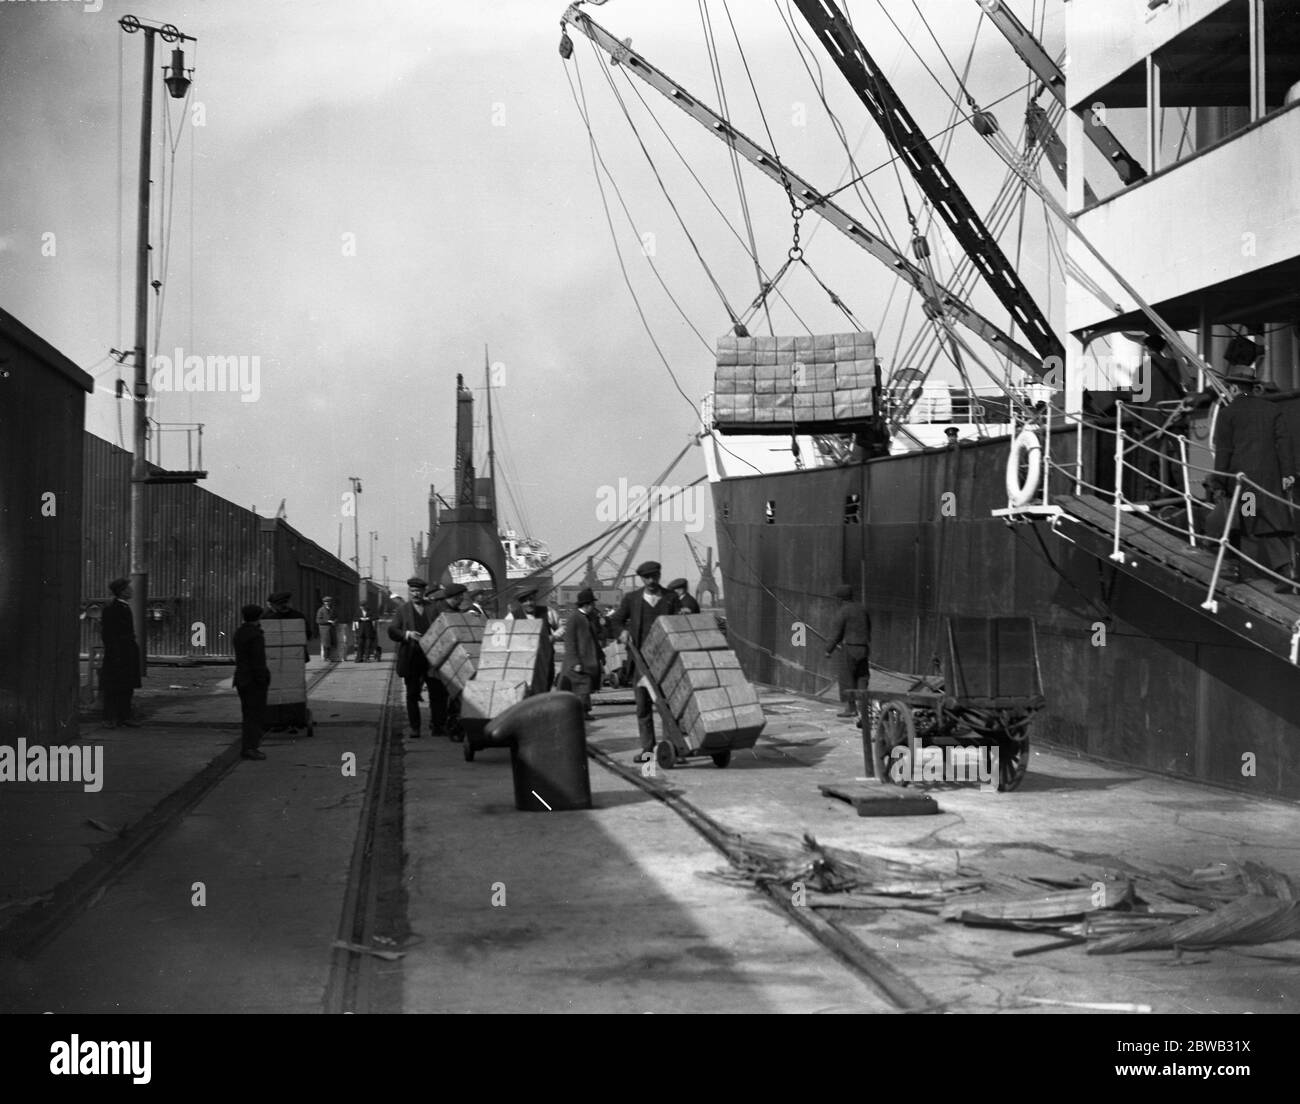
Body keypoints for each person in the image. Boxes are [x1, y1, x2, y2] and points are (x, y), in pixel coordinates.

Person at [1211, 346, 1298, 591]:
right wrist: (1288, 474)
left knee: (1249, 521)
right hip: (1270, 478)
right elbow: (1284, 443)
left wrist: (1219, 482)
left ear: (1235, 388)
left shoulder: (1229, 414)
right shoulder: (1272, 410)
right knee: (1271, 520)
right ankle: (1285, 571)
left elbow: (1224, 451)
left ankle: (1248, 571)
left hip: (1245, 482)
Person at [609, 561, 680, 762]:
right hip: (640, 664)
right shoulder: (632, 599)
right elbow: (615, 621)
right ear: (642, 579)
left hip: (667, 663)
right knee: (643, 707)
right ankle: (647, 750)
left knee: (668, 707)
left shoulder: (671, 598)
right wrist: (622, 632)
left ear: (659, 575)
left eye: (654, 576)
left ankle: (672, 749)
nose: (651, 581)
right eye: (647, 577)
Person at [386, 577, 446, 738]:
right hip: (412, 658)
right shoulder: (403, 610)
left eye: (418, 591)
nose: (415, 594)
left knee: (436, 693)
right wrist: (407, 634)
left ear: (423, 592)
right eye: (412, 591)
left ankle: (437, 726)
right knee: (412, 694)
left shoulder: (433, 609)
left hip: (431, 658)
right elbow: (392, 630)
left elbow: (443, 629)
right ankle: (415, 727)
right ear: (409, 592)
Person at [825, 584, 872, 720]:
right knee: (862, 677)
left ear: (840, 599)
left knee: (847, 679)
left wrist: (828, 650)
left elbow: (836, 633)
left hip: (849, 648)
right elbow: (869, 627)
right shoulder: (862, 609)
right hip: (863, 648)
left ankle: (851, 709)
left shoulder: (843, 611)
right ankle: (864, 710)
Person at [100, 577, 141, 728]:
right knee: (114, 687)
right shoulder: (112, 608)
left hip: (126, 652)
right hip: (118, 653)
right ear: (121, 591)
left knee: (126, 686)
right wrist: (115, 653)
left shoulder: (123, 606)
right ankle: (110, 718)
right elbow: (108, 634)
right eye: (128, 588)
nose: (131, 590)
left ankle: (124, 716)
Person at [233, 604, 270, 760]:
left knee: (247, 714)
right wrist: (264, 679)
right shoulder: (255, 635)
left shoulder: (240, 632)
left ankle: (248, 747)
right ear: (258, 617)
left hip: (241, 678)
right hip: (253, 680)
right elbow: (258, 661)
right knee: (254, 716)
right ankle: (250, 748)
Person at [563, 588, 604, 719]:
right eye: (593, 604)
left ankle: (584, 711)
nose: (594, 606)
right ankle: (580, 712)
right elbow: (569, 642)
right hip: (579, 660)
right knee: (582, 686)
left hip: (589, 659)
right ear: (587, 605)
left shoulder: (589, 617)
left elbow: (595, 638)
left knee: (585, 686)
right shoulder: (574, 618)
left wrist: (601, 655)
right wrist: (575, 662)